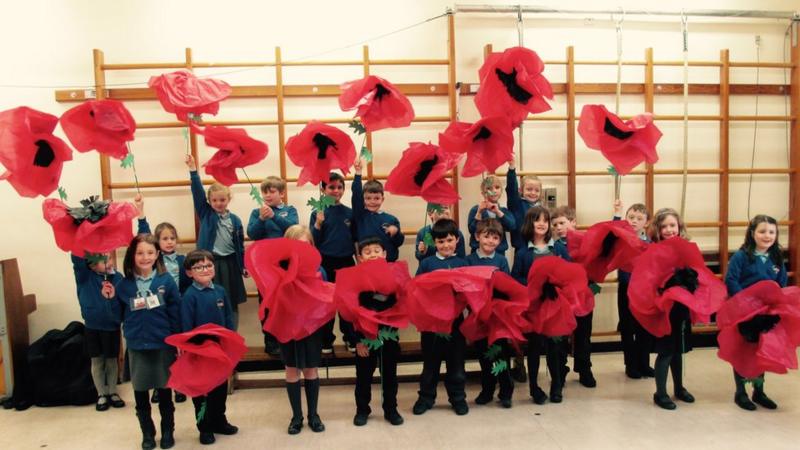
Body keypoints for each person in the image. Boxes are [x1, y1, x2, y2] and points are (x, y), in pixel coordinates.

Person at [103, 234, 181, 450]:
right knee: (141, 394)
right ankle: (147, 433)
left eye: (150, 252)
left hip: (162, 346)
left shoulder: (166, 281)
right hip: (137, 346)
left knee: (165, 393)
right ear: (132, 255)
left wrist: (178, 341)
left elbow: (175, 313)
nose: (145, 257)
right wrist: (110, 300)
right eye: (139, 253)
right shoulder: (123, 285)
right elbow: (116, 317)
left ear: (157, 254)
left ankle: (168, 431)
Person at [725, 214, 787, 411]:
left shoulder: (776, 257)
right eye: (762, 231)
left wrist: (774, 301)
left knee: (761, 350)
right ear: (752, 233)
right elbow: (731, 280)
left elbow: (781, 282)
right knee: (743, 350)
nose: (767, 236)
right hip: (744, 311)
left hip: (766, 312)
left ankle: (758, 391)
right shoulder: (741, 256)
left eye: (771, 232)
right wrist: (746, 302)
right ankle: (740, 392)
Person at [134, 194, 189, 404]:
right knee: (161, 351)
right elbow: (143, 235)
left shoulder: (182, 260)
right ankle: (160, 386)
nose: (169, 242)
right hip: (158, 311)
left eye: (172, 238)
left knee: (178, 349)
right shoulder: (154, 261)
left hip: (177, 309)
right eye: (164, 238)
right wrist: (141, 214)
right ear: (157, 242)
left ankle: (179, 385)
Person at [180, 249, 238, 445]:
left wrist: (230, 340)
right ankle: (204, 427)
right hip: (199, 351)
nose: (205, 269)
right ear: (189, 272)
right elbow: (187, 326)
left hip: (219, 349)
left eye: (208, 265)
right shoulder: (189, 296)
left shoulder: (220, 291)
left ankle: (219, 420)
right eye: (199, 267)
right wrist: (191, 350)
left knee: (219, 387)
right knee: (202, 391)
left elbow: (228, 318)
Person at [413, 218, 470, 416]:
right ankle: (425, 398)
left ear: (457, 240)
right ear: (434, 243)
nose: (446, 245)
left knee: (457, 364)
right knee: (430, 364)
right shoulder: (427, 263)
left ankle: (458, 398)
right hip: (432, 324)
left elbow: (469, 291)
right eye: (440, 241)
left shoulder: (463, 263)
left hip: (455, 322)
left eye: (449, 240)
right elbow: (416, 288)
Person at [185, 155, 246, 330]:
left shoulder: (235, 220)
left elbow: (240, 247)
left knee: (231, 301)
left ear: (228, 199)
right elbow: (197, 193)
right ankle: (212, 332)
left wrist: (243, 266)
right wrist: (193, 171)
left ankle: (231, 333)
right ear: (209, 201)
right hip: (211, 263)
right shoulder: (206, 214)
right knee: (210, 298)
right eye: (214, 200)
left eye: (222, 200)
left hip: (230, 264)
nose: (218, 203)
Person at [349, 237, 404, 426]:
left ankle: (391, 409)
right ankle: (362, 409)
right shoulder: (354, 279)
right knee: (364, 377)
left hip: (389, 336)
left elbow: (401, 306)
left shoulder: (394, 276)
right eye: (367, 252)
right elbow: (348, 313)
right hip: (364, 338)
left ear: (385, 254)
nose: (373, 254)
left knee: (389, 376)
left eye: (376, 251)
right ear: (360, 258)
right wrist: (357, 340)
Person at [512, 206, 565, 404]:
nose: (542, 223)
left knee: (555, 348)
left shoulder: (558, 249)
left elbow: (569, 272)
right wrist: (534, 284)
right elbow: (515, 277)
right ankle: (534, 388)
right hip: (533, 308)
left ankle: (557, 386)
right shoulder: (522, 252)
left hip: (554, 306)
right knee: (534, 348)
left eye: (545, 220)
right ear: (530, 223)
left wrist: (554, 283)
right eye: (537, 220)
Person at [647, 208, 696, 410]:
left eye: (672, 225)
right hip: (664, 309)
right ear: (657, 230)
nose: (669, 230)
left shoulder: (686, 247)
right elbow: (650, 279)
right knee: (666, 351)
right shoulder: (654, 250)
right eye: (664, 226)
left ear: (679, 226)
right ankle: (660, 393)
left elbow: (696, 271)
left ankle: (679, 388)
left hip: (682, 307)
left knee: (678, 351)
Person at [246, 176, 298, 356]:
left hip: (286, 262)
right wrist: (261, 219)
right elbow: (252, 234)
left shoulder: (290, 210)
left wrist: (274, 216)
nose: (267, 195)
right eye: (264, 192)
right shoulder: (257, 212)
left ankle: (288, 337)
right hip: (264, 264)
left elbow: (293, 230)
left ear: (282, 193)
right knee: (267, 302)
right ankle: (270, 340)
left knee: (287, 299)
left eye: (272, 191)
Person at [282, 224, 326, 435]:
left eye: (306, 245)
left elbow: (325, 298)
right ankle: (296, 417)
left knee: (310, 369)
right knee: (291, 370)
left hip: (310, 327)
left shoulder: (319, 270)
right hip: (287, 326)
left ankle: (313, 415)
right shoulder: (280, 269)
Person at [467, 219, 513, 407]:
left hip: (497, 316)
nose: (490, 241)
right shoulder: (469, 260)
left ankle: (505, 391)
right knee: (484, 356)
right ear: (477, 237)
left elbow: (507, 287)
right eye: (486, 236)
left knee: (500, 354)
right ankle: (487, 389)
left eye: (495, 238)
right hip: (478, 316)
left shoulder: (501, 260)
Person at [71, 251, 125, 412]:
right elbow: (77, 260)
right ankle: (101, 393)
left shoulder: (117, 277)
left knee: (111, 360)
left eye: (109, 259)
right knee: (97, 361)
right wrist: (80, 244)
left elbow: (123, 299)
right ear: (93, 265)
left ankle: (113, 392)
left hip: (112, 327)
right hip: (92, 327)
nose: (109, 263)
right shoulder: (85, 277)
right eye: (103, 261)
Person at [309, 172, 356, 354]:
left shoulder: (349, 213)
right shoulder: (318, 213)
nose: (336, 191)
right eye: (331, 187)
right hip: (326, 263)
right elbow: (313, 242)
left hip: (346, 262)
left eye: (339, 187)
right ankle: (326, 340)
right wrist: (318, 224)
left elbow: (355, 239)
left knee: (347, 303)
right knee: (326, 303)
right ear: (323, 189)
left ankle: (350, 337)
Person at [551, 205, 596, 388]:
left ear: (573, 222)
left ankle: (584, 369)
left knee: (583, 335)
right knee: (561, 336)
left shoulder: (586, 242)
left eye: (562, 223)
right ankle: (561, 370)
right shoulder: (554, 247)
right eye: (555, 225)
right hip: (563, 298)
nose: (558, 227)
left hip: (583, 296)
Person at [612, 200, 655, 379]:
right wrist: (617, 213)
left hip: (644, 292)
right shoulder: (622, 239)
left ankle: (644, 363)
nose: (634, 221)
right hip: (626, 289)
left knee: (644, 328)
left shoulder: (650, 243)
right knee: (628, 328)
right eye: (631, 217)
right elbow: (612, 232)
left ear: (646, 222)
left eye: (639, 218)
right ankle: (631, 365)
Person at [351, 159, 404, 262]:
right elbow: (356, 194)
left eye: (376, 198)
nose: (372, 202)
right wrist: (358, 173)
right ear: (363, 199)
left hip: (388, 263)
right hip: (367, 262)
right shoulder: (360, 215)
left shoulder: (391, 219)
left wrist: (396, 233)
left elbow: (399, 242)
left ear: (382, 199)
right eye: (368, 198)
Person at [467, 175, 515, 255]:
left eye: (497, 187)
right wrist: (479, 213)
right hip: (478, 252)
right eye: (489, 188)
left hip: (499, 252)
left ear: (501, 191)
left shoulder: (503, 211)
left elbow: (512, 226)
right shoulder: (475, 210)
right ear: (483, 193)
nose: (494, 191)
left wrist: (498, 212)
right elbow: (472, 230)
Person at [506, 158, 543, 251]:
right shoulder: (516, 204)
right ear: (521, 190)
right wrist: (511, 168)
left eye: (537, 190)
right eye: (529, 189)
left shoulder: (542, 208)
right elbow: (511, 189)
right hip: (521, 247)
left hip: (538, 247)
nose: (533, 193)